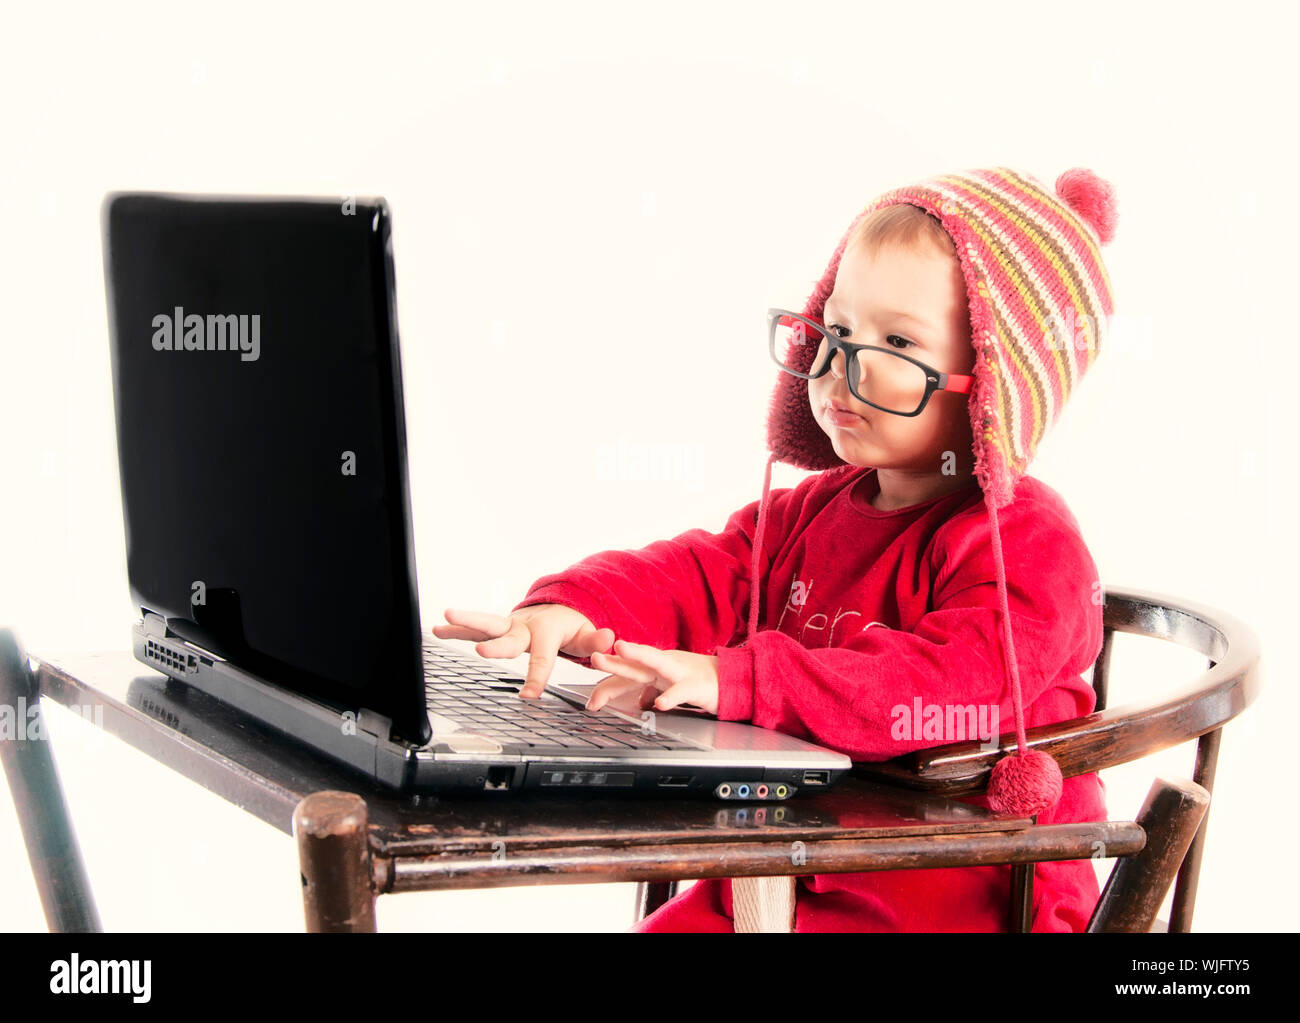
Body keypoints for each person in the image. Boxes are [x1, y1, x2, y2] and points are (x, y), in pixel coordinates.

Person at [434, 165, 1119, 931]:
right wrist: (573, 604)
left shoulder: (1025, 541)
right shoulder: (819, 507)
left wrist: (746, 681)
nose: (838, 368)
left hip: (956, 880)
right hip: (792, 860)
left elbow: (945, 682)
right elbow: (706, 570)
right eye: (838, 327)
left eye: (896, 341)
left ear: (996, 384)